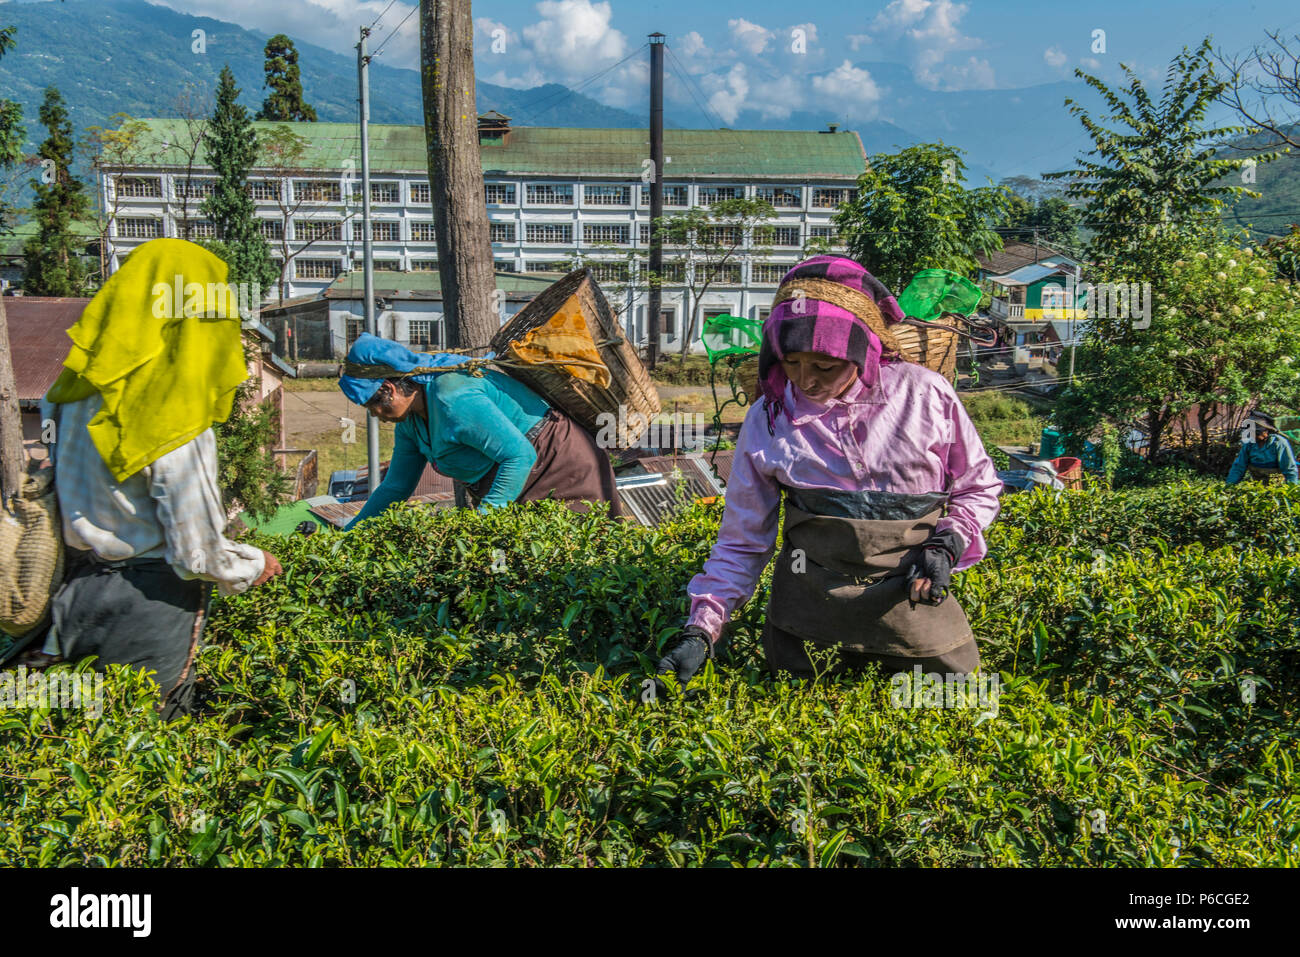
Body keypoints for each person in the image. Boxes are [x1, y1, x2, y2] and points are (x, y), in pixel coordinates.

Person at [656, 255, 1002, 687]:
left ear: (864, 350)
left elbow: (978, 487)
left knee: (953, 706)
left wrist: (948, 543)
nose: (807, 381)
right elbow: (743, 540)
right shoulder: (769, 417)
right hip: (806, 627)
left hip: (914, 612)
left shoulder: (924, 394)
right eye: (792, 363)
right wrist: (702, 629)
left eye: (825, 366)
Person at [25, 238, 282, 719]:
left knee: (88, 745)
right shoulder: (174, 414)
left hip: (77, 591)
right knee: (147, 747)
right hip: (148, 602)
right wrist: (252, 564)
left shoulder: (70, 391)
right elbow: (197, 553)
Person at [337, 334, 622, 527]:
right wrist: (349, 535)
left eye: (373, 404)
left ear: (389, 388)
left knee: (578, 567)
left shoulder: (453, 397)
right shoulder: (410, 423)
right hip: (513, 485)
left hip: (561, 467)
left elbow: (519, 456)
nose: (375, 415)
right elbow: (395, 487)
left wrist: (486, 522)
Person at [1226, 412, 1298, 486]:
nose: (1253, 436)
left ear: (1266, 431)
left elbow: (1289, 470)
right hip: (1258, 486)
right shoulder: (1249, 444)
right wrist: (1229, 485)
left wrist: (1290, 490)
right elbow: (1238, 467)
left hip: (1277, 487)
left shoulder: (1279, 443)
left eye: (1256, 433)